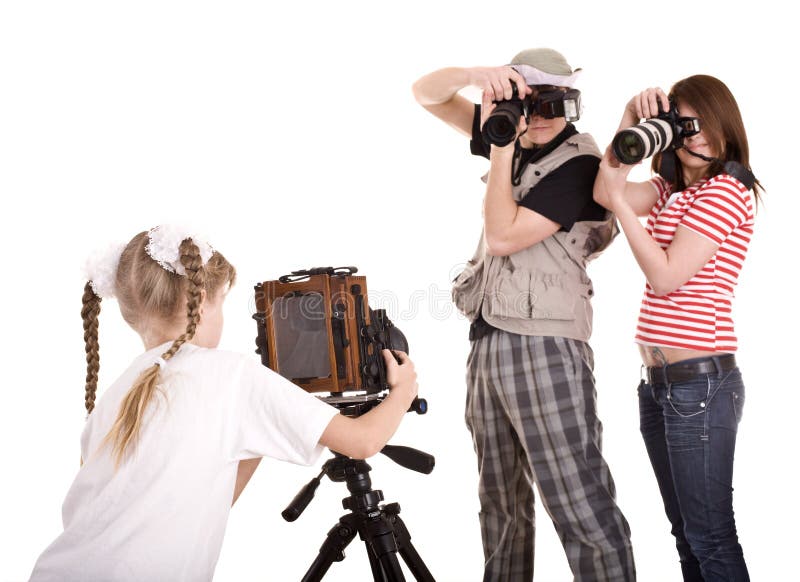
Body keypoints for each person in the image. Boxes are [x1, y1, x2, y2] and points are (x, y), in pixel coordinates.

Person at [28, 225, 418, 582]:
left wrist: (267, 428)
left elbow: (191, 505)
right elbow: (362, 441)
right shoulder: (230, 374)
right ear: (205, 302)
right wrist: (403, 391)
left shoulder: (119, 392)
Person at [412, 48, 636, 581]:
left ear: (572, 103)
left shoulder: (582, 164)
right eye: (529, 103)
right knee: (501, 508)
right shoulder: (509, 131)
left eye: (553, 104)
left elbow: (504, 235)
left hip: (545, 344)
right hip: (488, 339)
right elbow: (426, 92)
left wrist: (499, 147)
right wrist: (476, 78)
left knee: (579, 503)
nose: (540, 117)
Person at [593, 76, 760, 581]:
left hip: (700, 386)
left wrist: (625, 211)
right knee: (686, 533)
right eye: (682, 124)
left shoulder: (729, 190)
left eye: (705, 122)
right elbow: (606, 189)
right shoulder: (673, 189)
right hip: (661, 387)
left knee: (710, 535)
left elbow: (665, 276)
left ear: (726, 124)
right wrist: (628, 119)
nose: (696, 135)